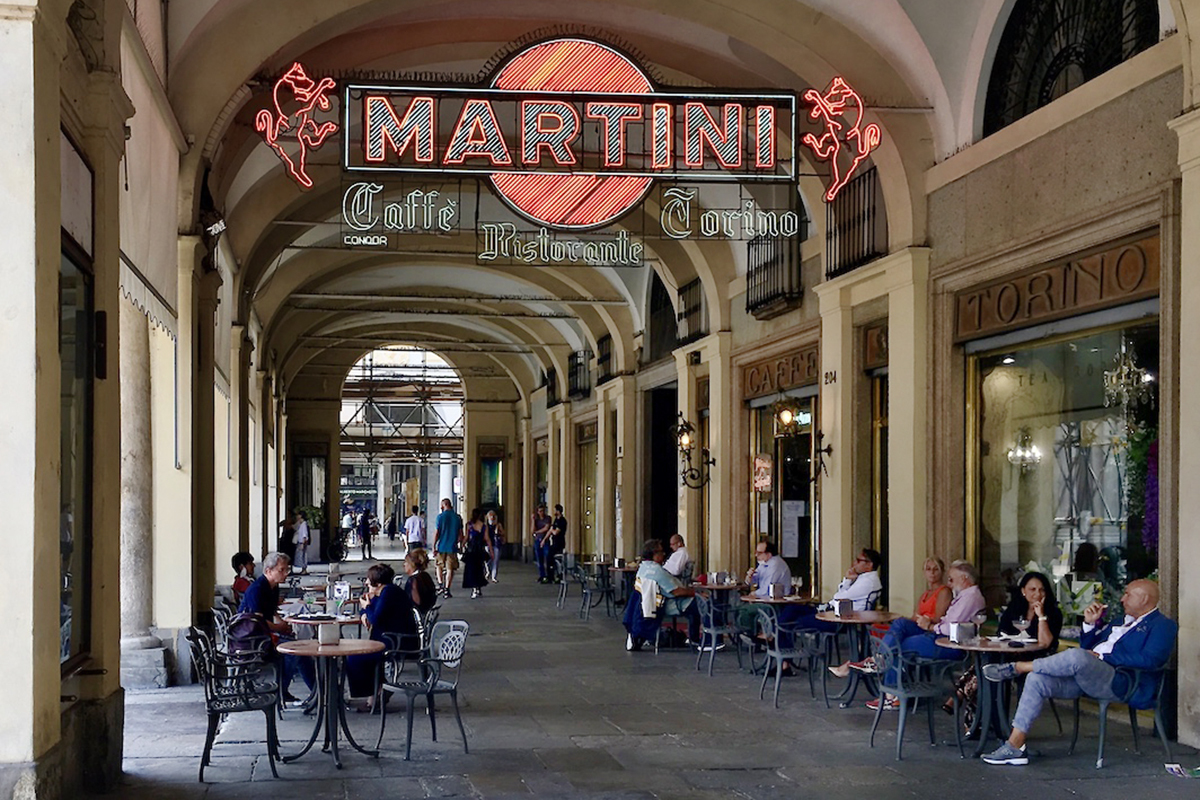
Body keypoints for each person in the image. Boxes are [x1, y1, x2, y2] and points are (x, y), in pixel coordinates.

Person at [981, 578, 1176, 766]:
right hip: (1089, 678)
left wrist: (1103, 657)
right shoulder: (1120, 621)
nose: (1122, 599)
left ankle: (1018, 667)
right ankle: (1014, 745)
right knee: (1036, 678)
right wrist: (1090, 624)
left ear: (1143, 599)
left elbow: (1152, 660)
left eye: (1127, 594)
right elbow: (1087, 647)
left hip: (1122, 682)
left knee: (1076, 656)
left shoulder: (1162, 625)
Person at [945, 570, 1063, 728]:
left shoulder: (1053, 613)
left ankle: (962, 699)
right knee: (987, 665)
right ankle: (982, 722)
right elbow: (1002, 632)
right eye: (1032, 589)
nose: (1037, 594)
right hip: (1010, 654)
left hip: (1035, 659)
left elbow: (1045, 643)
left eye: (1041, 590)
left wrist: (1041, 615)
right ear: (1023, 591)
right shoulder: (1015, 608)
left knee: (987, 667)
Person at [863, 560, 986, 711]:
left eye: (952, 579)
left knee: (896, 646)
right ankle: (882, 664)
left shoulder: (970, 597)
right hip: (940, 636)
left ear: (964, 578)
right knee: (901, 624)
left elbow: (952, 628)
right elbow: (947, 621)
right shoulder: (964, 596)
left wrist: (930, 626)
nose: (950, 583)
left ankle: (891, 693)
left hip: (949, 643)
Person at [829, 556, 951, 677]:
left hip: (930, 630)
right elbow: (915, 617)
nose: (932, 573)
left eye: (936, 569)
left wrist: (918, 620)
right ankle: (885, 682)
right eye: (928, 569)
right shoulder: (925, 594)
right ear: (924, 572)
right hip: (919, 626)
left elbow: (938, 619)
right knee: (886, 634)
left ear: (942, 571)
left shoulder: (944, 591)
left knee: (898, 631)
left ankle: (875, 660)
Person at [238, 552, 314, 702]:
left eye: (287, 569)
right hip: (251, 639)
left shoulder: (273, 587)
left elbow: (272, 612)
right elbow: (258, 621)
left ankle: (317, 691)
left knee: (301, 649)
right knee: (293, 652)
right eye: (282, 570)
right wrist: (279, 628)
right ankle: (280, 691)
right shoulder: (257, 589)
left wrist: (282, 625)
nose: (286, 573)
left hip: (264, 633)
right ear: (268, 571)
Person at [345, 563, 417, 707]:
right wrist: (365, 612)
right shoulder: (384, 592)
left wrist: (367, 608)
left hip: (397, 642)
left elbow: (375, 618)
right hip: (387, 638)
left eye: (368, 579)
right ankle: (378, 692)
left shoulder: (389, 593)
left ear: (377, 583)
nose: (366, 582)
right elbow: (368, 609)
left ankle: (374, 693)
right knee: (358, 655)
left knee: (355, 657)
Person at [626, 539, 700, 651]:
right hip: (667, 604)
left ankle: (694, 639)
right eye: (661, 552)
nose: (664, 554)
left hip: (649, 605)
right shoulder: (657, 571)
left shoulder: (643, 568)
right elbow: (676, 591)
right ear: (654, 554)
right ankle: (702, 640)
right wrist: (695, 593)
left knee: (695, 604)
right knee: (699, 605)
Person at [461, 508, 493, 599]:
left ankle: (475, 589)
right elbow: (487, 539)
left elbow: (466, 537)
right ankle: (478, 588)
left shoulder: (469, 525)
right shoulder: (484, 526)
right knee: (479, 569)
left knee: (471, 570)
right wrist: (491, 551)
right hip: (480, 551)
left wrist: (462, 545)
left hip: (471, 551)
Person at [434, 498, 463, 597]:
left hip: (441, 547)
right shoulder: (457, 517)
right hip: (452, 547)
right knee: (450, 569)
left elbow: (437, 533)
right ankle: (447, 589)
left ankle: (440, 584)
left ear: (443, 505)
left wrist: (434, 546)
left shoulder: (440, 517)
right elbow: (460, 535)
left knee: (439, 566)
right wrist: (460, 545)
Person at [403, 549, 437, 614]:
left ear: (411, 564)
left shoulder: (413, 580)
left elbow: (416, 603)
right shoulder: (425, 575)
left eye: (406, 562)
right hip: (427, 611)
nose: (404, 564)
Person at [532, 504, 552, 584]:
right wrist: (533, 520)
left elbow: (546, 528)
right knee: (539, 559)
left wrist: (537, 532)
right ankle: (542, 575)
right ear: (537, 512)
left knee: (547, 557)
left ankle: (548, 575)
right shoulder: (536, 520)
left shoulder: (548, 518)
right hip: (537, 540)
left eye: (543, 511)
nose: (542, 513)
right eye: (540, 511)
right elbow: (532, 531)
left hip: (545, 540)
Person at [548, 504, 568, 583]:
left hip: (559, 543)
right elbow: (551, 530)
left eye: (555, 510)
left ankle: (559, 576)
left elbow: (555, 532)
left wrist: (552, 530)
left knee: (557, 559)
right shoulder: (556, 520)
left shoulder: (562, 521)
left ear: (558, 511)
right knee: (550, 558)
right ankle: (551, 576)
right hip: (554, 542)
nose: (554, 512)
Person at [484, 509, 504, 583]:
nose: (492, 518)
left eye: (493, 516)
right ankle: (488, 571)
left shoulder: (498, 525)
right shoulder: (485, 525)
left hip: (496, 544)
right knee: (487, 560)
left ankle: (494, 577)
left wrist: (498, 530)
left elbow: (503, 533)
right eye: (490, 516)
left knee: (495, 561)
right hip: (487, 545)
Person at [292, 510, 310, 574]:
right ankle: (303, 569)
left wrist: (303, 543)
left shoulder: (303, 524)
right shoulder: (301, 524)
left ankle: (304, 569)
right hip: (301, 542)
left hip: (302, 542)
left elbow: (304, 534)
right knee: (302, 555)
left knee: (302, 555)